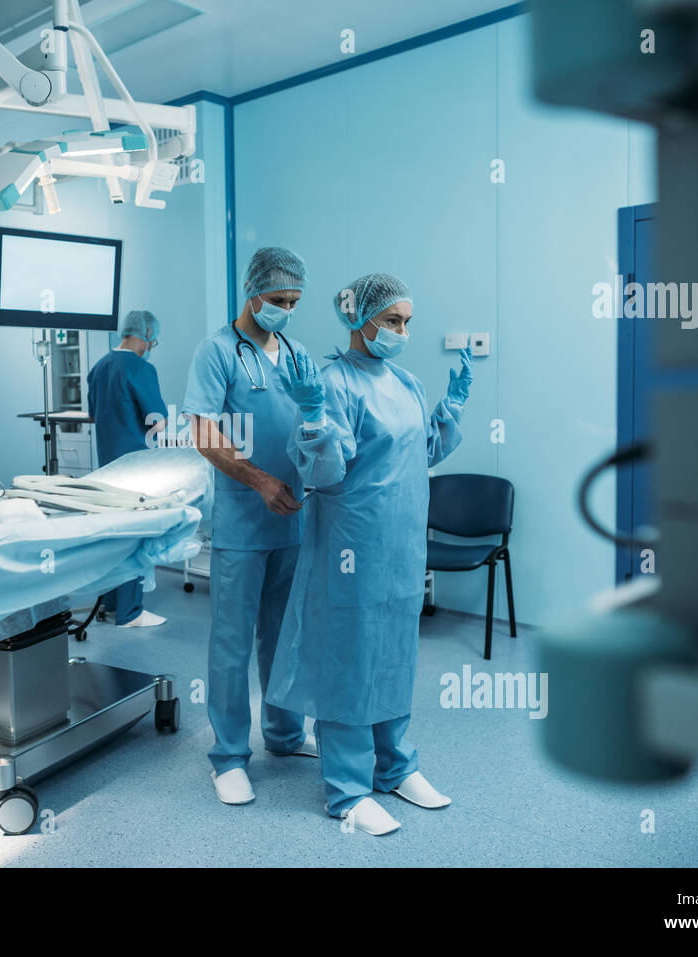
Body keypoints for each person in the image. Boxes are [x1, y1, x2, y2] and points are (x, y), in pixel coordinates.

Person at [266, 272, 474, 836]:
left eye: (407, 321)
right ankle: (347, 789)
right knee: (351, 662)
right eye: (393, 320)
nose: (402, 330)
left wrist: (450, 407)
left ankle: (396, 766)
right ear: (359, 319)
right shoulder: (334, 383)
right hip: (351, 546)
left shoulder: (406, 381)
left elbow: (422, 451)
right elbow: (323, 470)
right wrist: (312, 418)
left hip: (402, 545)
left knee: (395, 655)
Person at [183, 247, 317, 807]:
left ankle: (285, 735)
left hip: (294, 516)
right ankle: (230, 756)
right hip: (243, 516)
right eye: (279, 301)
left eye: (294, 303)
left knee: (286, 637)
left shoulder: (295, 351)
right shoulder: (216, 353)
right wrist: (260, 481)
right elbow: (204, 433)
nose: (286, 311)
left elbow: (315, 415)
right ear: (253, 293)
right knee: (233, 642)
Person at [86, 309, 168, 628]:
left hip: (108, 468)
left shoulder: (99, 367)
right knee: (135, 538)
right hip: (137, 468)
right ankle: (130, 612)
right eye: (153, 340)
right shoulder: (140, 368)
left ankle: (108, 604)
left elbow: (95, 417)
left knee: (114, 539)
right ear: (146, 337)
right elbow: (157, 421)